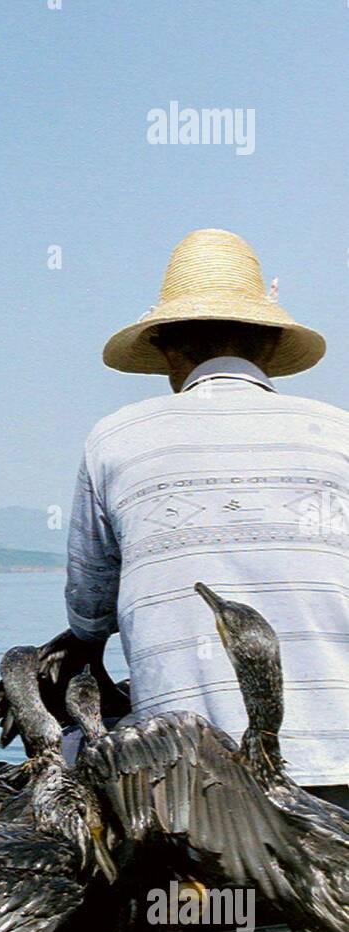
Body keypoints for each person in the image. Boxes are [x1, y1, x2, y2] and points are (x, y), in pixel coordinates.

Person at [64, 228, 349, 806]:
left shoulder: (115, 439)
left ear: (166, 347)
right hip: (339, 755)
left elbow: (89, 612)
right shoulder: (339, 432)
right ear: (270, 347)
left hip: (185, 778)